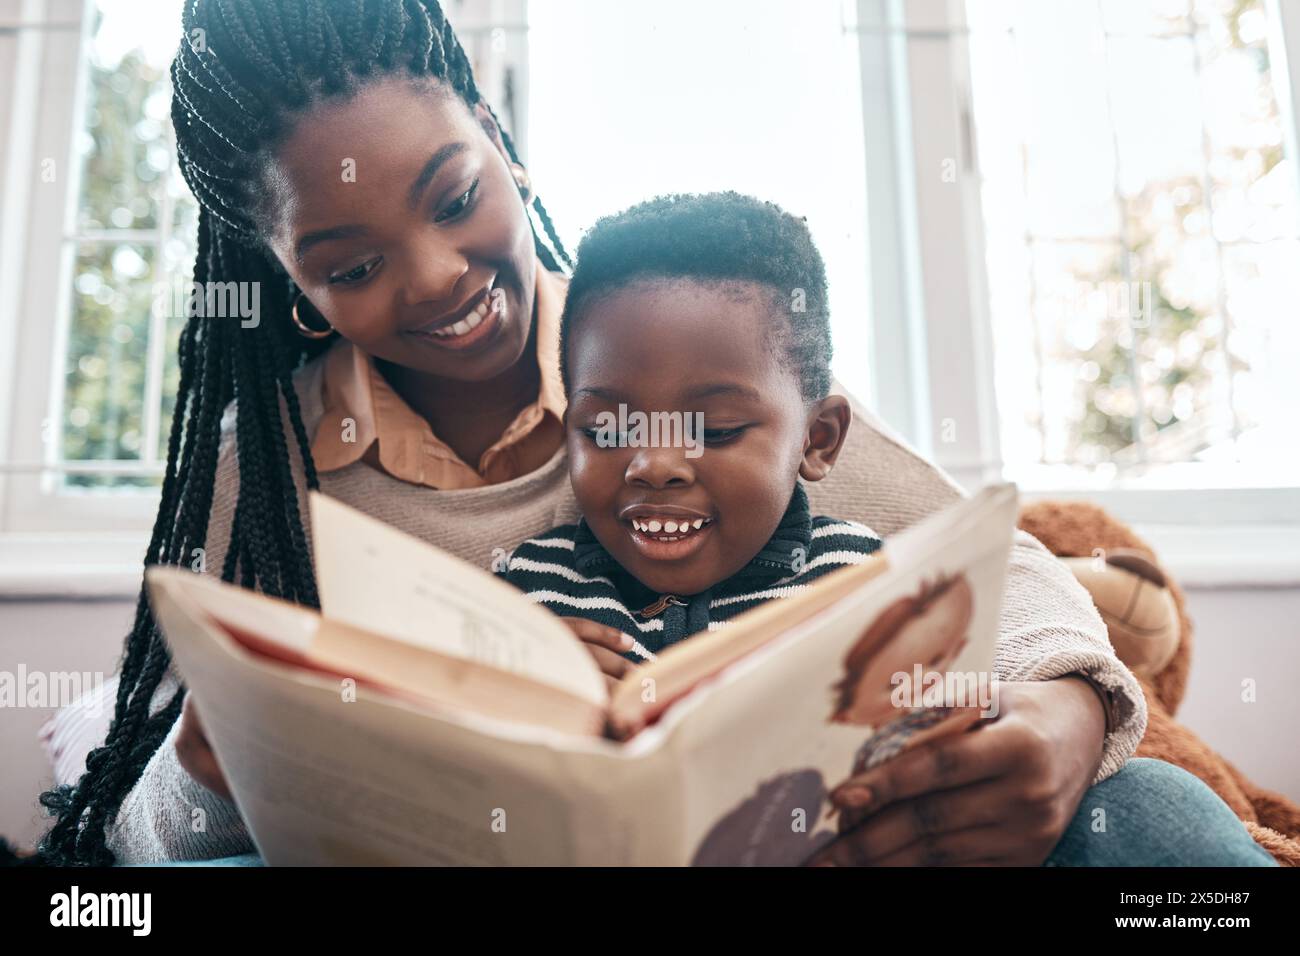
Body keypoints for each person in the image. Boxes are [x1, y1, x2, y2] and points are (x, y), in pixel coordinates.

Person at [19, 0, 1274, 868]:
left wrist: (1055, 731)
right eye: (351, 264)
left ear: (499, 136)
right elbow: (132, 831)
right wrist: (213, 763)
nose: (443, 277)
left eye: (458, 198)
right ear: (291, 283)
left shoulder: (667, 340)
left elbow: (1012, 582)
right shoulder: (271, 470)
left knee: (1151, 813)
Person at [496, 193, 884, 679]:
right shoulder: (528, 591)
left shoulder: (864, 579)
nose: (654, 466)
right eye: (608, 429)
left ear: (818, 439)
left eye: (714, 430)